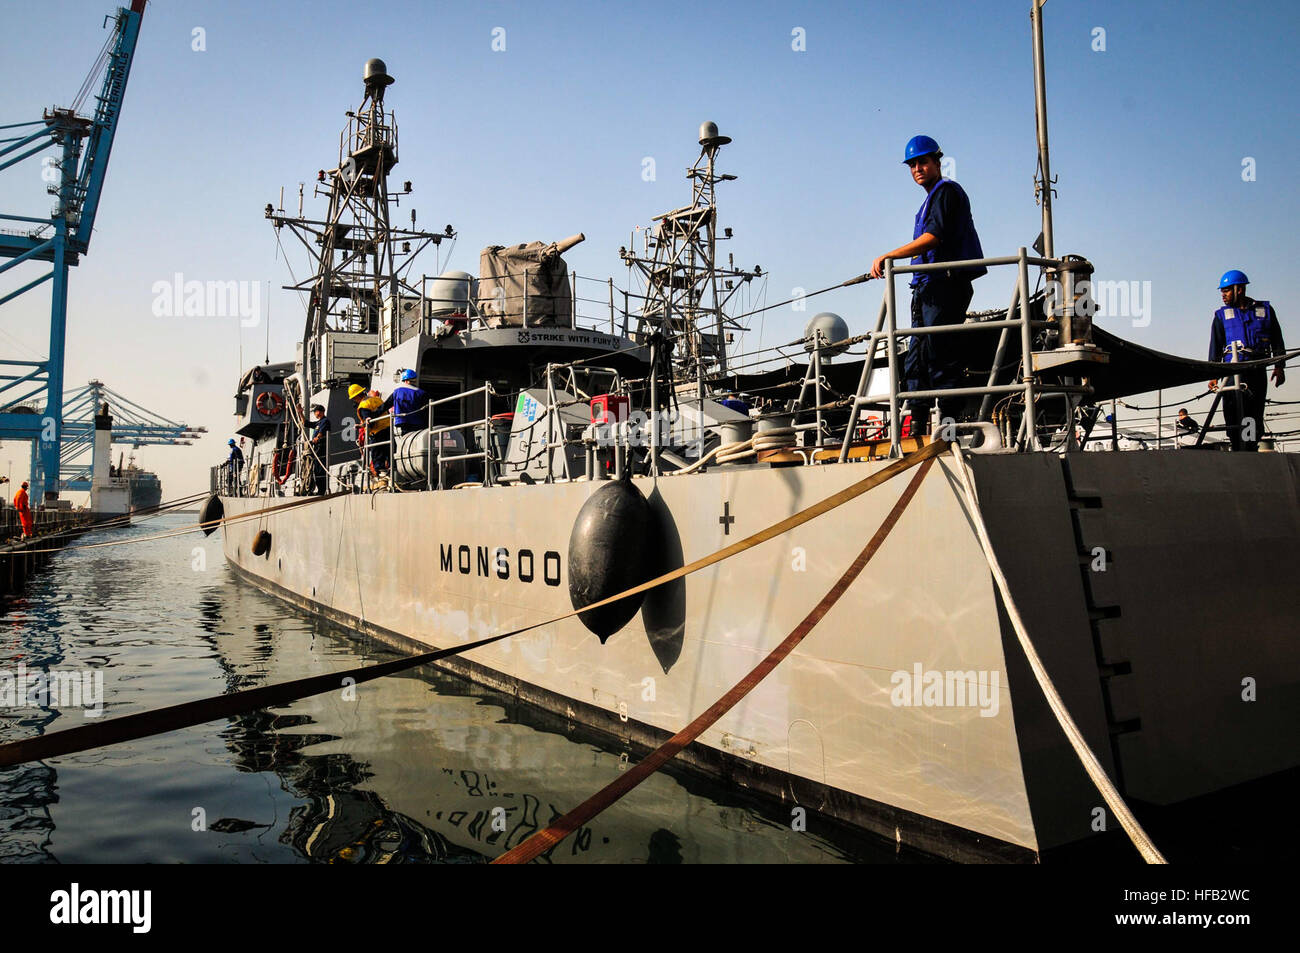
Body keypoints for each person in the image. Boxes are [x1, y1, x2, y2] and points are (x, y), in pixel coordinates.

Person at [871, 135, 986, 431]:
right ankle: (918, 424)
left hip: (945, 286)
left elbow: (933, 238)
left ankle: (947, 428)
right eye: (913, 165)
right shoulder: (928, 200)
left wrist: (890, 255)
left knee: (941, 354)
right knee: (917, 357)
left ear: (937, 162)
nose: (918, 168)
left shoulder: (946, 192)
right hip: (926, 288)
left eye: (923, 162)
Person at [1207, 270, 1286, 451]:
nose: (1223, 295)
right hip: (1232, 372)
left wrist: (1279, 366)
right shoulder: (1221, 316)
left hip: (1256, 370)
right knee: (1232, 411)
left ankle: (1250, 447)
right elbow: (1216, 346)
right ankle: (1237, 446)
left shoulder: (1264, 311)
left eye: (1226, 291)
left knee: (1253, 412)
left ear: (1239, 289)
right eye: (1222, 291)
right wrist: (1213, 375)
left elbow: (1277, 340)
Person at [382, 369, 431, 434]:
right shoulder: (422, 393)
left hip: (403, 422)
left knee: (406, 440)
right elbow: (426, 412)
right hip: (418, 423)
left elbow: (385, 406)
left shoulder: (397, 392)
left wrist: (371, 416)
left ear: (405, 381)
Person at [358, 388, 391, 474]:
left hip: (377, 432)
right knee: (390, 452)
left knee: (378, 455)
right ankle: (392, 471)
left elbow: (369, 421)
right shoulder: (378, 399)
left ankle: (381, 475)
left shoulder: (364, 405)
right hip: (388, 429)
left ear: (356, 397)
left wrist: (365, 424)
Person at [308, 404, 330, 494]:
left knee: (320, 469)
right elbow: (307, 424)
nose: (314, 414)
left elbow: (321, 432)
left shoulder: (325, 421)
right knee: (316, 469)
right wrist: (300, 413)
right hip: (317, 448)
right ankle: (320, 489)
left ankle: (322, 489)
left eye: (315, 412)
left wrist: (317, 438)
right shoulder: (318, 422)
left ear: (319, 412)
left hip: (321, 447)